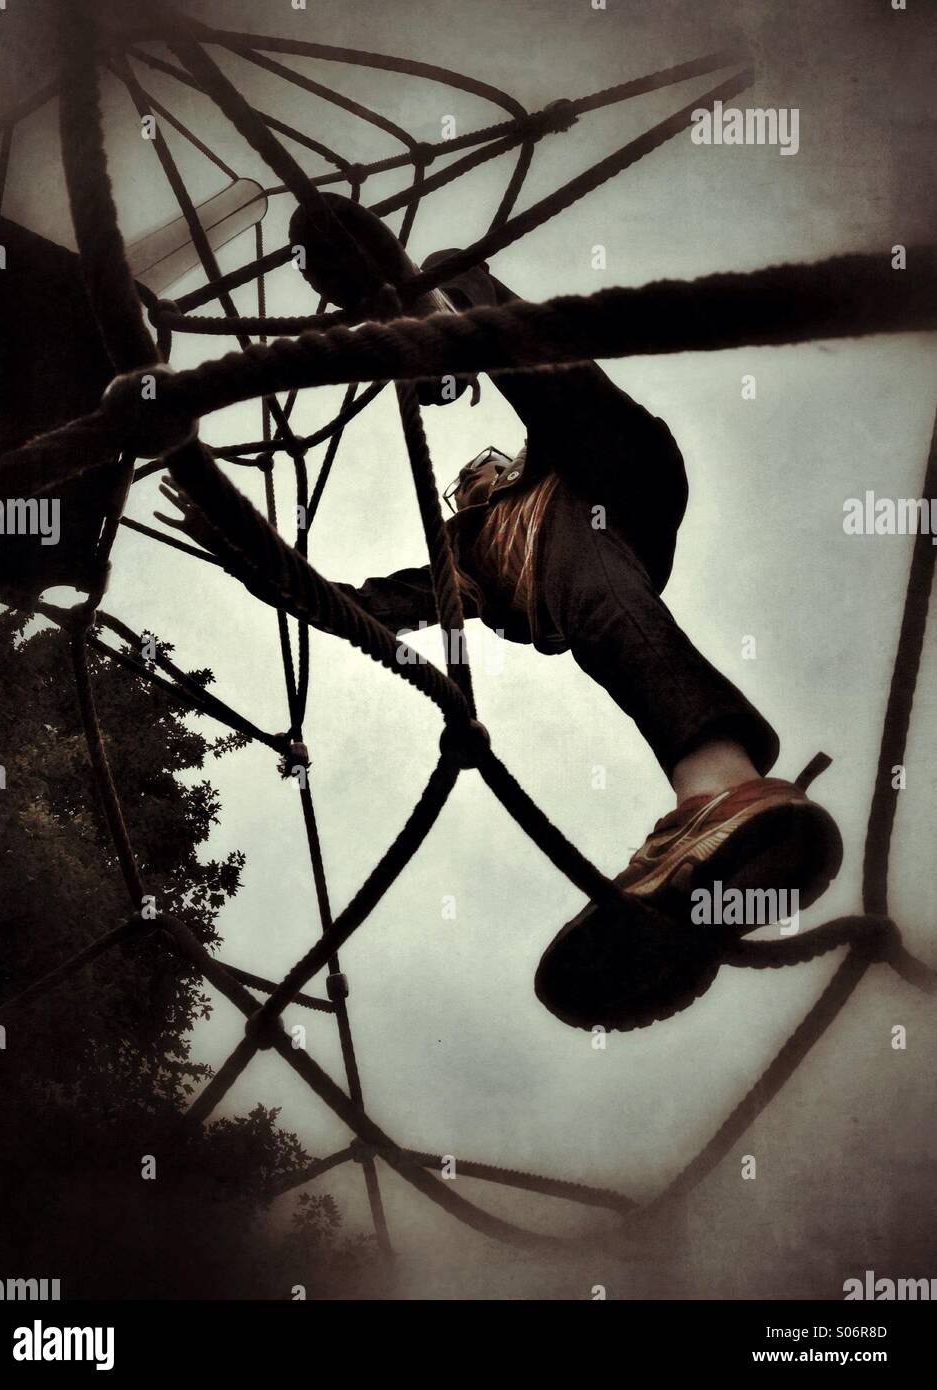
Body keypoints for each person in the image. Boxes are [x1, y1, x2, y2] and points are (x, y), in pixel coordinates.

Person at [157, 195, 843, 1019]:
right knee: (577, 582)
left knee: (521, 345)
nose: (476, 473)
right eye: (470, 479)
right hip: (590, 567)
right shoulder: (474, 550)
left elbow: (559, 393)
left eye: (486, 463)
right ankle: (722, 808)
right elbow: (359, 607)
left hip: (619, 469)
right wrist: (247, 551)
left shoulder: (540, 461)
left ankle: (437, 321)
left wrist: (433, 311)